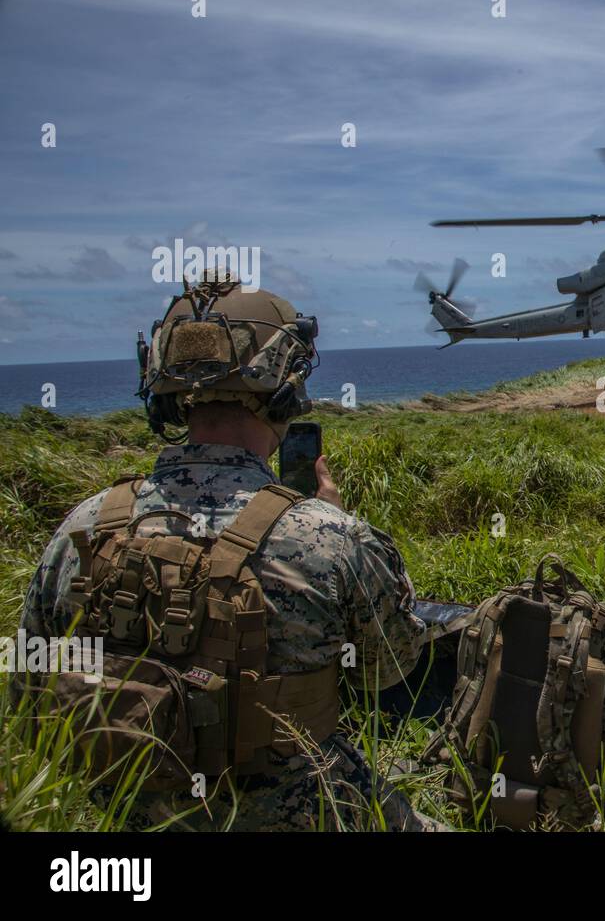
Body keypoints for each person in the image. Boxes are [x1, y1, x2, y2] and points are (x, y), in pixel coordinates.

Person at [17, 268, 436, 831]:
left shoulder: (87, 524)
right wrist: (336, 517)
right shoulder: (329, 536)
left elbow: (30, 688)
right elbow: (388, 669)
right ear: (285, 383)